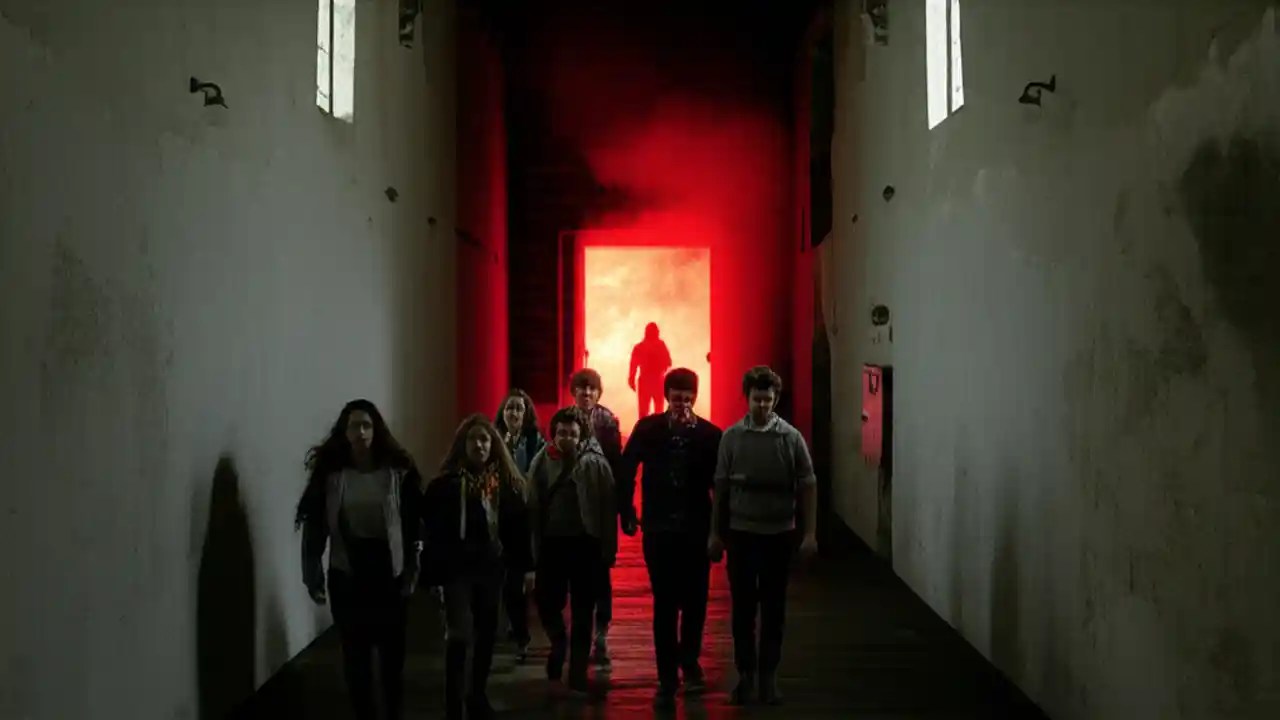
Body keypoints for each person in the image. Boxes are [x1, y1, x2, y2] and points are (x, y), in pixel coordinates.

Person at [297, 399, 422, 720]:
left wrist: (411, 569)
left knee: (392, 659)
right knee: (356, 657)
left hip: (388, 570)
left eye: (367, 425)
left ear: (377, 430)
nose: (362, 432)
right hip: (349, 571)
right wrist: (313, 574)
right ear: (345, 432)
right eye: (355, 426)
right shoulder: (333, 475)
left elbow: (412, 525)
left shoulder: (397, 471)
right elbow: (316, 527)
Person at [707, 366, 818, 706]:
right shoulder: (732, 438)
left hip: (778, 534)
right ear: (748, 398)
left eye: (768, 400)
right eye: (757, 399)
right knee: (742, 608)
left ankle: (769, 675)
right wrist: (716, 533)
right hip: (742, 533)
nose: (762, 406)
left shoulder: (790, 438)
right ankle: (746, 674)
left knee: (774, 608)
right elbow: (721, 488)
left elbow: (808, 484)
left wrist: (809, 533)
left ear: (776, 400)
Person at [619, 368, 722, 708]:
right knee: (665, 602)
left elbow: (720, 487)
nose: (682, 402)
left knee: (695, 601)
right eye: (676, 396)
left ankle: (689, 663)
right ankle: (668, 674)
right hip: (660, 529)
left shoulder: (710, 435)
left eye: (687, 396)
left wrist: (718, 531)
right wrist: (627, 510)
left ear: (695, 396)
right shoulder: (648, 429)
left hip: (695, 529)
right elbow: (627, 467)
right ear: (667, 396)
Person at [420, 414, 534, 720]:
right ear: (463, 445)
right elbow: (430, 531)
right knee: (458, 635)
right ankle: (453, 704)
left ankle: (476, 696)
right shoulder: (445, 486)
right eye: (473, 440)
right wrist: (431, 573)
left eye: (484, 440)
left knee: (487, 633)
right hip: (456, 569)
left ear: (493, 445)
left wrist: (525, 568)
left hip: (490, 569)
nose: (479, 445)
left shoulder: (505, 486)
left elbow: (519, 530)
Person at [527, 407, 617, 693]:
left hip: (585, 544)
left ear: (583, 435)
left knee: (582, 609)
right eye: (562, 432)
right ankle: (558, 641)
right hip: (552, 544)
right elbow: (533, 504)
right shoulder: (542, 460)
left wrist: (608, 549)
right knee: (547, 601)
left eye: (573, 433)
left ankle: (577, 670)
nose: (567, 438)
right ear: (553, 433)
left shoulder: (595, 463)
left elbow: (606, 507)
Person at [564, 369, 623, 665]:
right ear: (573, 391)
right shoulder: (564, 421)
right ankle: (581, 632)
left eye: (591, 389)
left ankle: (601, 631)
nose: (586, 394)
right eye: (581, 388)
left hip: (601, 504)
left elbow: (615, 466)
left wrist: (621, 507)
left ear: (599, 393)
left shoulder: (608, 421)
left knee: (601, 570)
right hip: (571, 509)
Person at [493, 389, 546, 661]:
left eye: (519, 409)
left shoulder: (536, 442)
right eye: (510, 408)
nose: (514, 413)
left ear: (526, 415)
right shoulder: (492, 440)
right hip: (495, 518)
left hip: (524, 519)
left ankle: (522, 636)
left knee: (517, 582)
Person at [628, 322, 673, 419]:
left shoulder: (640, 347)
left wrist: (631, 379)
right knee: (658, 412)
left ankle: (645, 432)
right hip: (657, 380)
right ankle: (656, 432)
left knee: (644, 413)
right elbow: (669, 362)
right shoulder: (660, 345)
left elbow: (633, 365)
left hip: (647, 380)